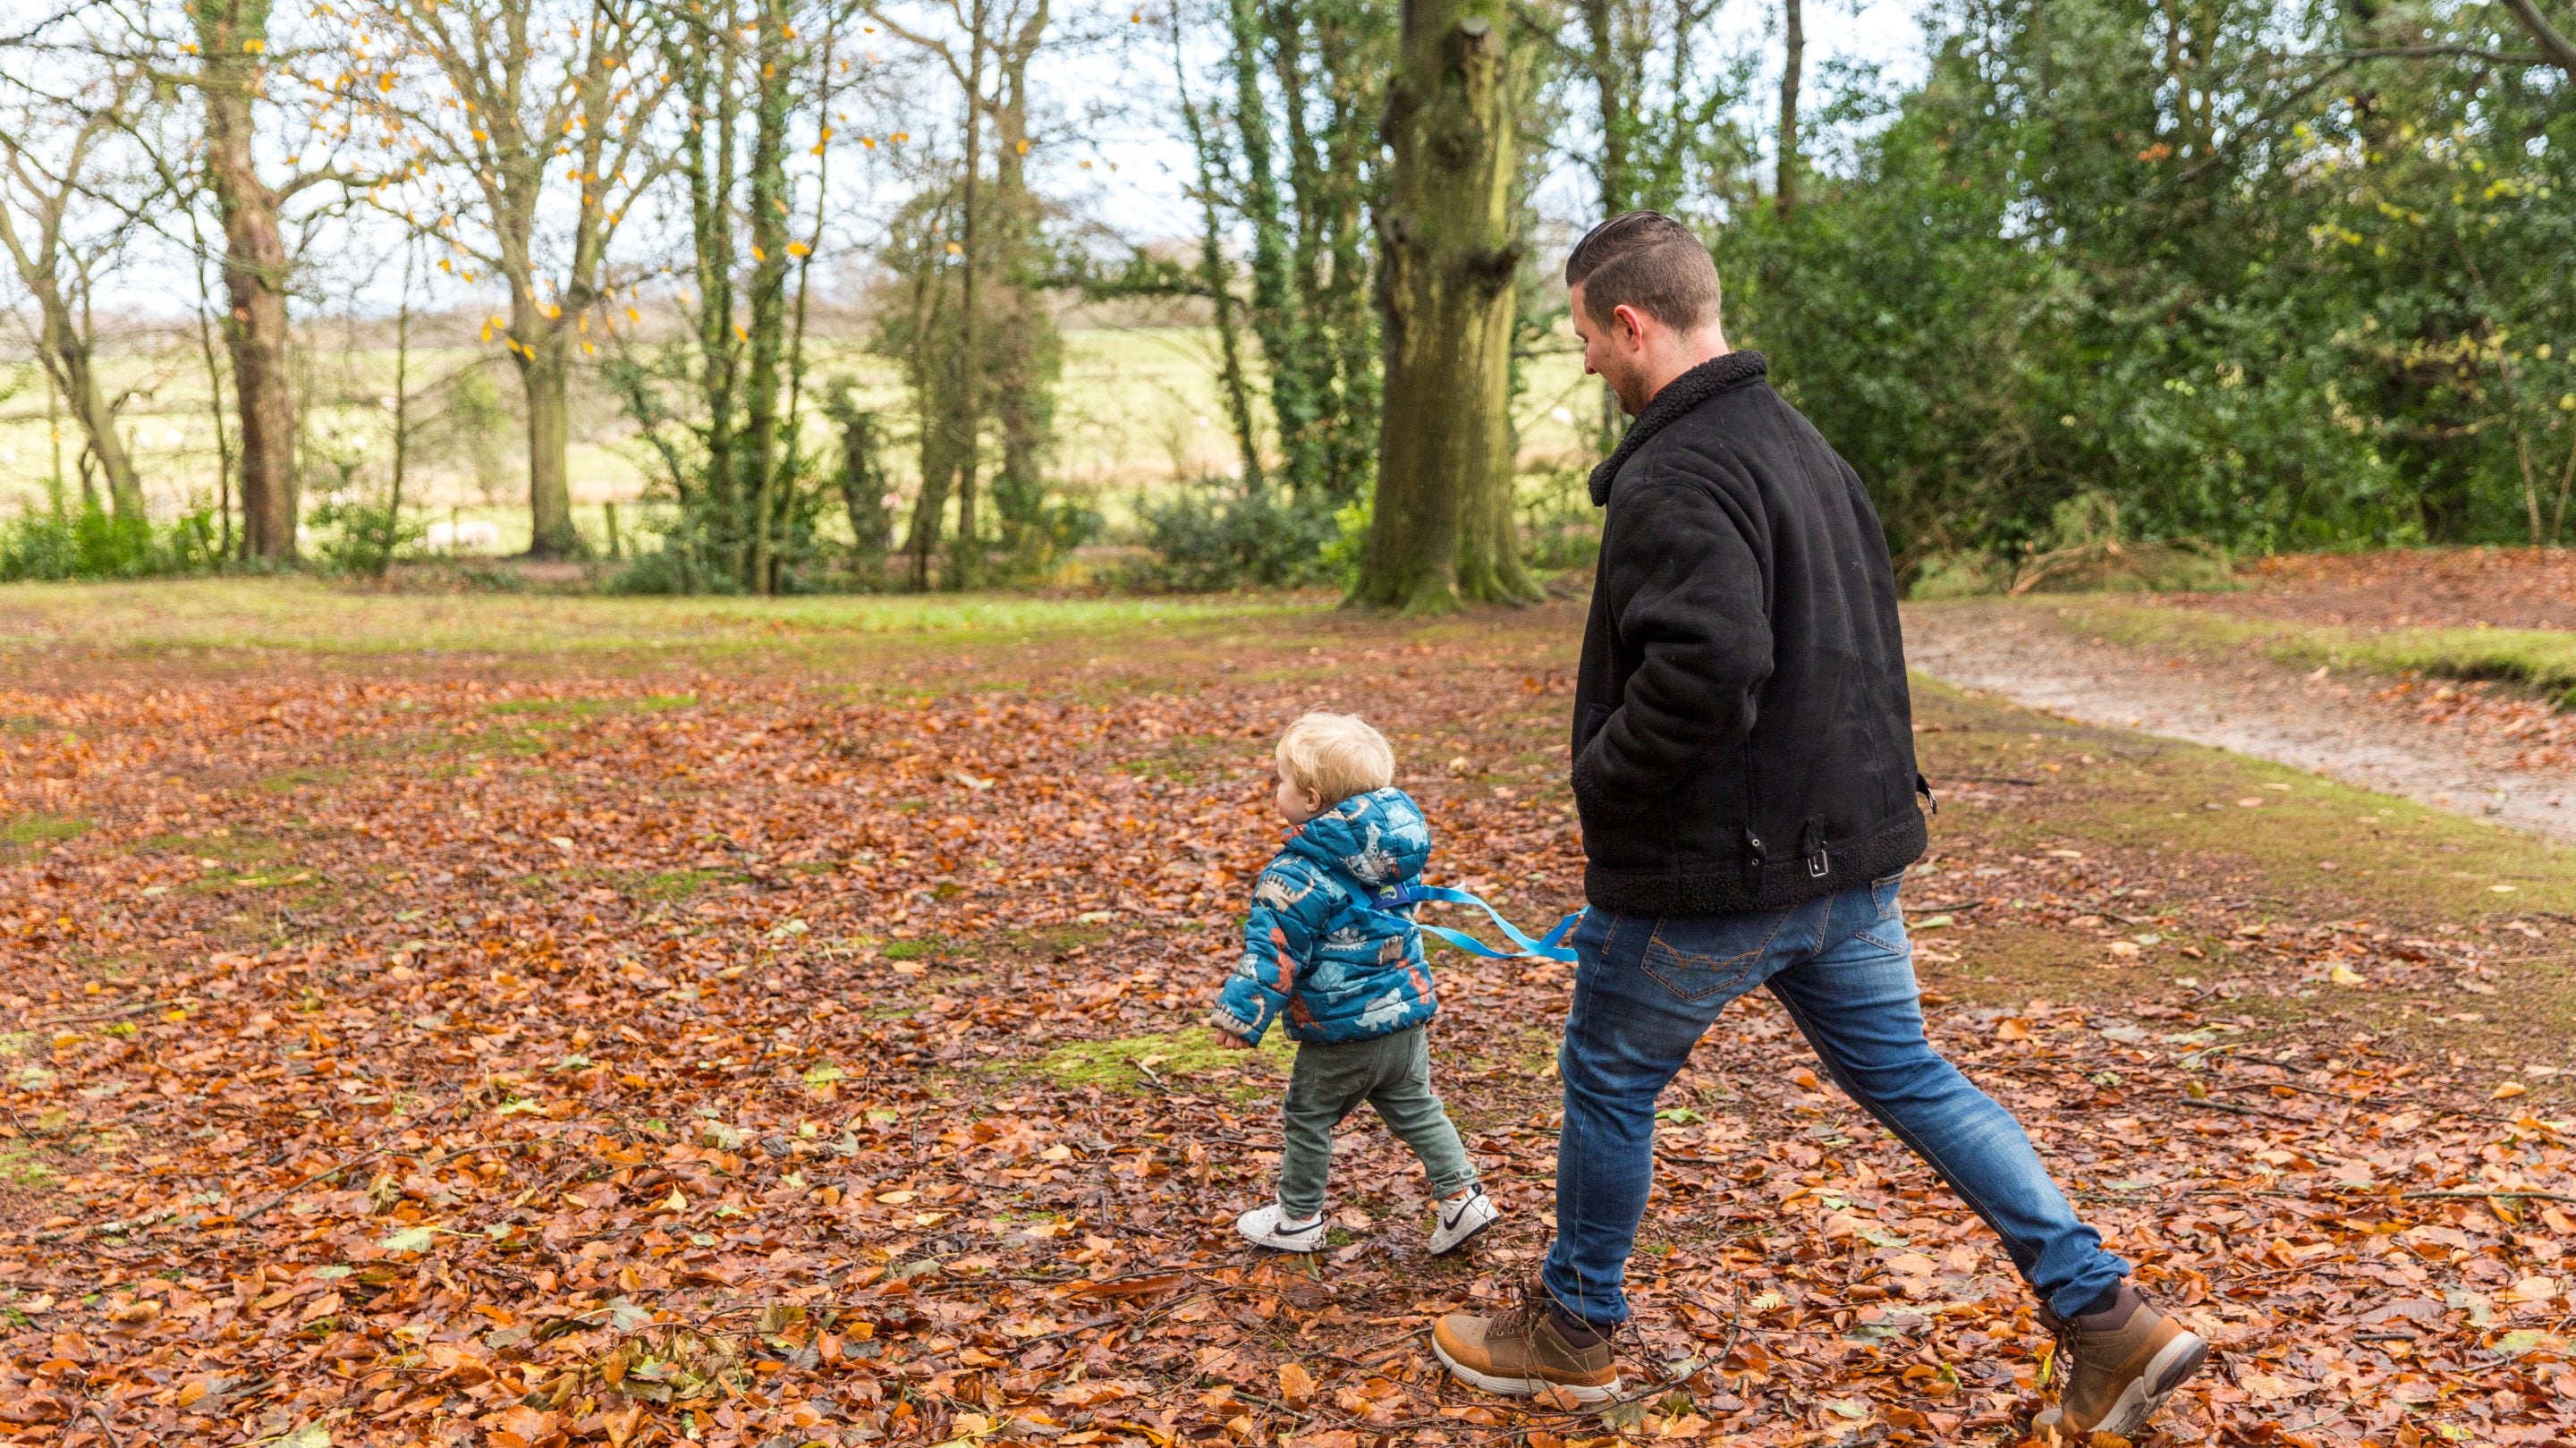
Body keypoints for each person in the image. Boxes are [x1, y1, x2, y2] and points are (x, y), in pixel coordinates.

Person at [1428, 213, 2208, 1438]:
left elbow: (1709, 665)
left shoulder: (1675, 470)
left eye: (1585, 335)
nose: (1584, 360)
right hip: (1844, 860)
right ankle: (2108, 1316)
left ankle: (1572, 1330)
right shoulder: (1805, 447)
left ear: (1631, 322)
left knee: (1610, 1075)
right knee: (1913, 1075)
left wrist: (1603, 776)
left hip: (1716, 874)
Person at [1209, 711, 1501, 1257]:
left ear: (1312, 799)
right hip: (1403, 1016)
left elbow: (1274, 951)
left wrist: (1241, 1013)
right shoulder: (1394, 854)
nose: (1275, 790)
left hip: (1341, 1030)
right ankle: (1462, 1198)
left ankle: (1298, 1218)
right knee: (1417, 1106)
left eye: (1281, 781)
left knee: (1309, 1117)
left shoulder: (1295, 873)